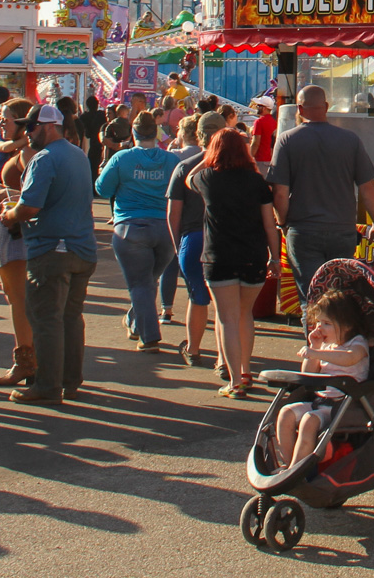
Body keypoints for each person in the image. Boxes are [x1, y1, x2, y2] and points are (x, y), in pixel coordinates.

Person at [0, 103, 97, 405]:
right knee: (69, 318)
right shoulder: (78, 154)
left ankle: (47, 385)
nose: (27, 132)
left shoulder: (45, 159)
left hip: (53, 249)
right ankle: (69, 381)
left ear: (49, 126)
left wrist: (8, 215)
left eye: (32, 126)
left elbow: (30, 207)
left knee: (46, 319)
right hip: (81, 248)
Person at [269, 85, 374, 316]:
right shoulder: (349, 140)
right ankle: (338, 348)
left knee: (311, 301)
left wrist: (283, 223)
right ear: (327, 107)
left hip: (303, 230)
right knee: (339, 299)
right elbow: (368, 189)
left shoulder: (287, 141)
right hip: (342, 230)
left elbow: (280, 192)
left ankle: (315, 347)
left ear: (300, 109)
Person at [193, 128, 280, 398]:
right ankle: (245, 371)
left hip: (218, 256)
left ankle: (234, 382)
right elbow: (269, 224)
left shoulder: (207, 178)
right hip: (252, 255)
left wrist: (206, 156)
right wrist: (275, 257)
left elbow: (187, 179)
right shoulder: (257, 182)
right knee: (245, 316)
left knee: (226, 318)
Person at [97, 111, 181, 352]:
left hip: (130, 228)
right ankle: (135, 323)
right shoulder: (171, 161)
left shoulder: (121, 158)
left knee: (140, 284)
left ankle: (150, 336)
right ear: (155, 133)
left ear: (133, 134)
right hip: (165, 230)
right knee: (147, 281)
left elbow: (102, 189)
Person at [275, 286, 371, 466]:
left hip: (344, 407)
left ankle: (297, 468)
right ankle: (287, 466)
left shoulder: (357, 343)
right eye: (318, 323)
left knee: (308, 421)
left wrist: (318, 354)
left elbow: (350, 358)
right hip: (321, 402)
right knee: (285, 413)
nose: (320, 328)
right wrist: (315, 348)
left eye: (327, 323)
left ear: (347, 324)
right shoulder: (326, 346)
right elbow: (308, 374)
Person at [168, 111, 226, 373]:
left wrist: (176, 244)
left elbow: (173, 214)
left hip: (192, 239)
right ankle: (225, 359)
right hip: (224, 239)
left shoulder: (184, 167)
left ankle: (193, 348)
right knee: (225, 302)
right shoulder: (232, 168)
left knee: (197, 296)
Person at [0, 99, 36, 387]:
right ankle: (29, 358)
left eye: (7, 119)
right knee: (12, 293)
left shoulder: (32, 151)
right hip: (2, 220)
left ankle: (27, 361)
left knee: (20, 297)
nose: (0, 123)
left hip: (20, 223)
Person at [250, 94, 278, 171]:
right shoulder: (274, 122)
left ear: (264, 108)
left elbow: (256, 142)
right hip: (271, 159)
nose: (256, 107)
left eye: (259, 105)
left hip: (260, 160)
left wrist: (249, 157)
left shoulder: (259, 122)